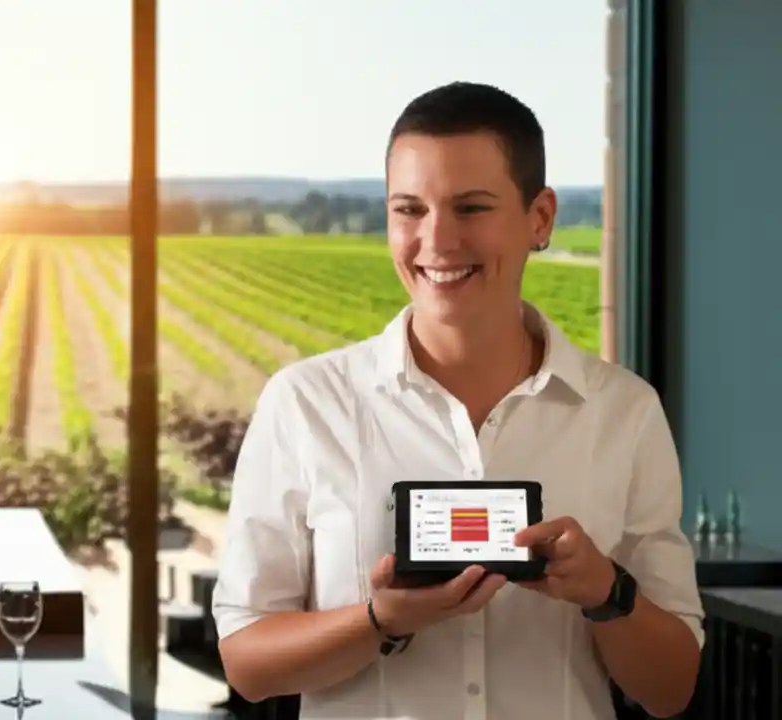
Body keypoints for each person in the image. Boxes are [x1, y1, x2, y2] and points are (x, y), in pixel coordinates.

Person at [211, 81, 703, 720]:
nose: (436, 241)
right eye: (409, 209)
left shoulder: (624, 413)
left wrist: (608, 592)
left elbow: (671, 690)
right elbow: (247, 664)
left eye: (471, 208)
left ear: (541, 218)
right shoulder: (307, 404)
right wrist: (377, 620)